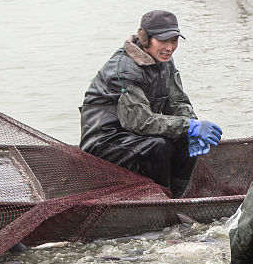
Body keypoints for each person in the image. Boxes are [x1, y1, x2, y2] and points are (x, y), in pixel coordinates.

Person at [80, 10, 223, 198]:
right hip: (105, 142)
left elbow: (178, 102)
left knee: (184, 141)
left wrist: (192, 125)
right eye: (163, 41)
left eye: (174, 40)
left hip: (135, 135)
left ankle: (177, 196)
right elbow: (141, 122)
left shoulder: (165, 62)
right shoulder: (125, 70)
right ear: (145, 38)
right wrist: (189, 127)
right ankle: (160, 199)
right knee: (159, 146)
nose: (170, 48)